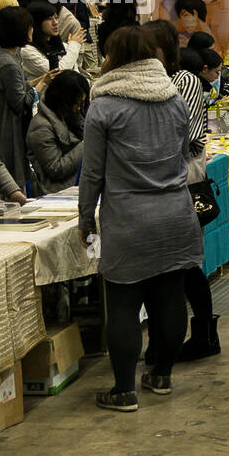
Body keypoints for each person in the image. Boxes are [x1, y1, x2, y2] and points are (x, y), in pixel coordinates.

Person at [79, 25, 203, 412]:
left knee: (123, 304)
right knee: (170, 298)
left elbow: (92, 173)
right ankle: (162, 375)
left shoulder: (103, 106)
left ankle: (123, 390)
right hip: (176, 214)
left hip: (129, 219)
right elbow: (183, 153)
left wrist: (85, 217)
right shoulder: (174, 100)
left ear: (112, 59)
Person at [143, 19, 219, 362]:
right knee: (164, 265)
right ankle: (165, 340)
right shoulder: (149, 81)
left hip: (183, 177)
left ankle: (204, 335)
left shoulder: (184, 80)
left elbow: (183, 136)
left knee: (185, 264)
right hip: (158, 180)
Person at [0, 7, 37, 190]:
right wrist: (36, 89)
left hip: (2, 128)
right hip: (7, 133)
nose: (32, 30)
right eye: (29, 26)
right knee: (12, 186)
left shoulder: (5, 55)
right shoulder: (7, 63)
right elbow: (21, 103)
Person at [26, 69, 87, 196]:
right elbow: (56, 169)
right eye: (77, 103)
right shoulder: (41, 127)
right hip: (56, 191)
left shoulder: (70, 117)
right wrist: (86, 145)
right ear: (64, 100)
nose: (79, 108)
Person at [20, 2, 81, 79]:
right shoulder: (27, 51)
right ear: (37, 22)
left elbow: (75, 73)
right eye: (49, 19)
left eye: (56, 18)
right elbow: (58, 72)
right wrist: (74, 45)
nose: (55, 23)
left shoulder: (63, 45)